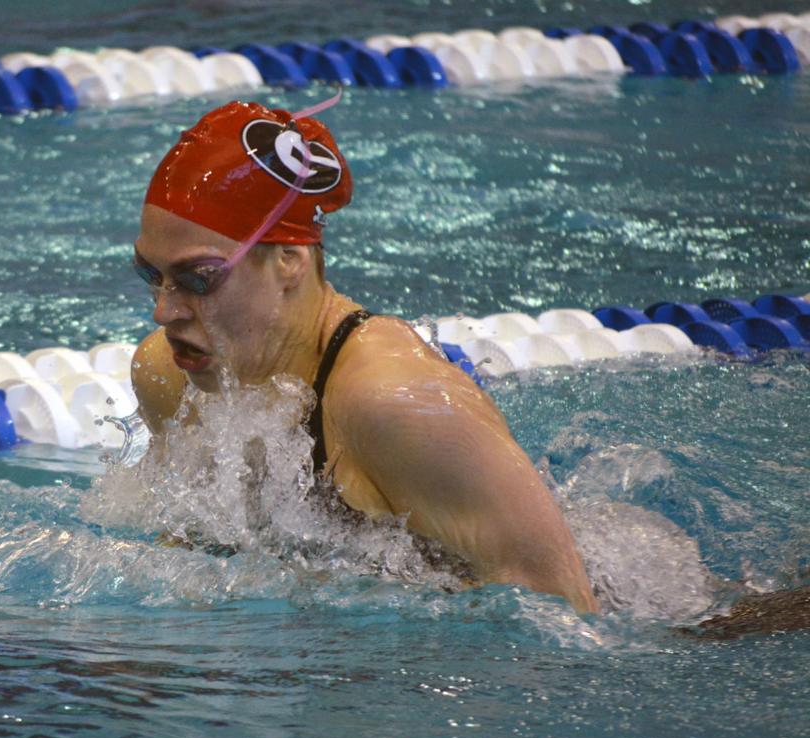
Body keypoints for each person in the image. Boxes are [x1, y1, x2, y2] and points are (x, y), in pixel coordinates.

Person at [129, 97, 600, 614]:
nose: (165, 311)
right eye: (153, 276)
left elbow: (563, 611)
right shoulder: (169, 377)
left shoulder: (393, 404)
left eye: (199, 278)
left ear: (289, 260)